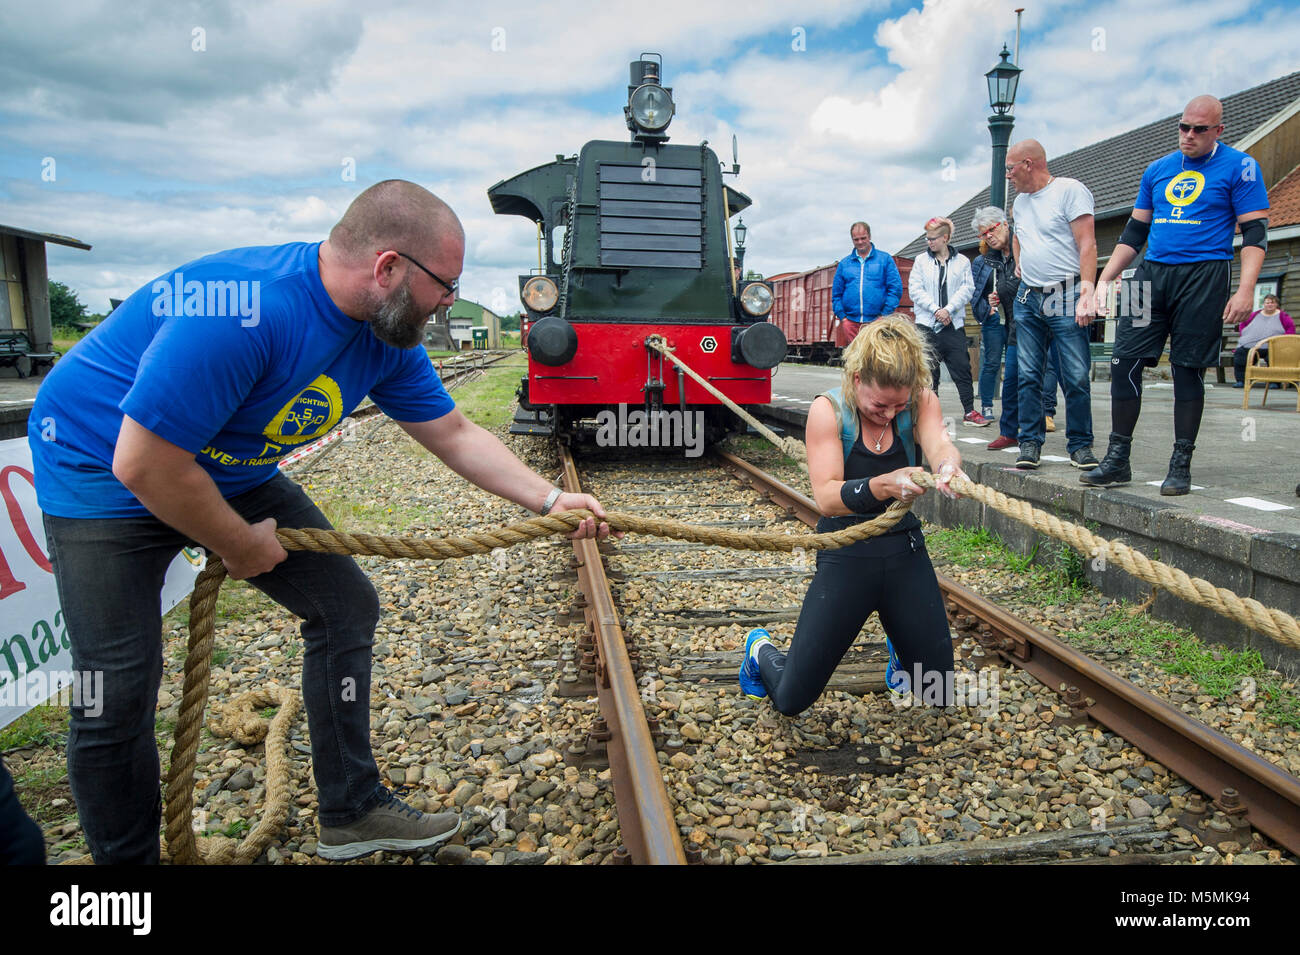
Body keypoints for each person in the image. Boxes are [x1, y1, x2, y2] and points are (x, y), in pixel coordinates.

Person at [27, 180, 614, 864]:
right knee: (116, 688)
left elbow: (453, 432)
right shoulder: (244, 312)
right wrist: (237, 541)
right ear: (388, 267)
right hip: (105, 470)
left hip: (222, 467)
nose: (451, 300)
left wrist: (549, 500)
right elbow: (146, 462)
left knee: (343, 605)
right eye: (447, 285)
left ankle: (351, 809)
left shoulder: (385, 335)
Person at [738, 315, 962, 714]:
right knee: (791, 700)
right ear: (857, 379)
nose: (891, 414)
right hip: (846, 555)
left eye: (899, 404)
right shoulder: (829, 411)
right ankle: (760, 651)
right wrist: (883, 485)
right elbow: (826, 498)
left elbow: (939, 443)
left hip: (903, 551)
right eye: (880, 404)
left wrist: (947, 465)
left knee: (939, 693)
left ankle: (902, 648)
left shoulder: (921, 399)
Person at [1087, 96, 1270, 493]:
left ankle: (1180, 463)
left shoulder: (1241, 167)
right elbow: (1134, 234)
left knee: (1187, 370)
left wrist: (1245, 290)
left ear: (1218, 131)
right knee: (1123, 364)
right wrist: (1104, 279)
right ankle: (1118, 459)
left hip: (1204, 275)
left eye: (1199, 129)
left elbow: (1255, 234)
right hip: (1149, 274)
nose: (1188, 135)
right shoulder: (1158, 169)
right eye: (1184, 127)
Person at [1006, 139, 1099, 471]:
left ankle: (1080, 446)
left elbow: (1087, 243)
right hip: (1028, 296)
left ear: (1029, 164)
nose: (1007, 176)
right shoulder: (1019, 203)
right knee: (1028, 374)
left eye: (1010, 168)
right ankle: (1029, 443)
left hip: (1066, 293)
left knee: (1074, 374)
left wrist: (1087, 291)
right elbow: (1019, 236)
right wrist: (1020, 262)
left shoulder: (1070, 191)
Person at [908, 217, 988, 426]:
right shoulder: (920, 261)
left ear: (945, 238)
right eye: (927, 238)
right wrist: (936, 310)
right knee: (929, 372)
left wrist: (948, 309)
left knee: (962, 369)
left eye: (933, 238)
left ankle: (970, 412)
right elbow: (916, 290)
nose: (929, 242)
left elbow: (967, 288)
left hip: (953, 324)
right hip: (927, 324)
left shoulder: (962, 262)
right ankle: (928, 414)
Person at [970, 207, 1020, 449]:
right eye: (984, 233)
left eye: (992, 229)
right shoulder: (988, 260)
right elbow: (976, 291)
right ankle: (1003, 424)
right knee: (1000, 370)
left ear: (1005, 224)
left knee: (1054, 376)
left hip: (1027, 322)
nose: (988, 236)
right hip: (1003, 322)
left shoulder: (1021, 248)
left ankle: (1077, 438)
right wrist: (990, 303)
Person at [830, 221, 902, 347]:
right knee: (856, 362)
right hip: (851, 323)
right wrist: (843, 318)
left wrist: (884, 316)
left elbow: (895, 289)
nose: (860, 242)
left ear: (869, 236)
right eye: (856, 239)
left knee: (876, 361)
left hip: (877, 321)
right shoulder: (844, 264)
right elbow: (836, 295)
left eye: (863, 238)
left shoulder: (885, 260)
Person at [1231, 293, 1293, 387]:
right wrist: (1244, 335)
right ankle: (1241, 381)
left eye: (1272, 302)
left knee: (1274, 359)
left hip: (1272, 347)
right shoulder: (1254, 315)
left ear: (1276, 304)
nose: (1269, 304)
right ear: (1264, 304)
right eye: (1267, 303)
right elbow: (1243, 324)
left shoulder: (1283, 316)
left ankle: (1274, 382)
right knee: (1240, 355)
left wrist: (1282, 343)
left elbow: (1290, 329)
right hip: (1251, 346)